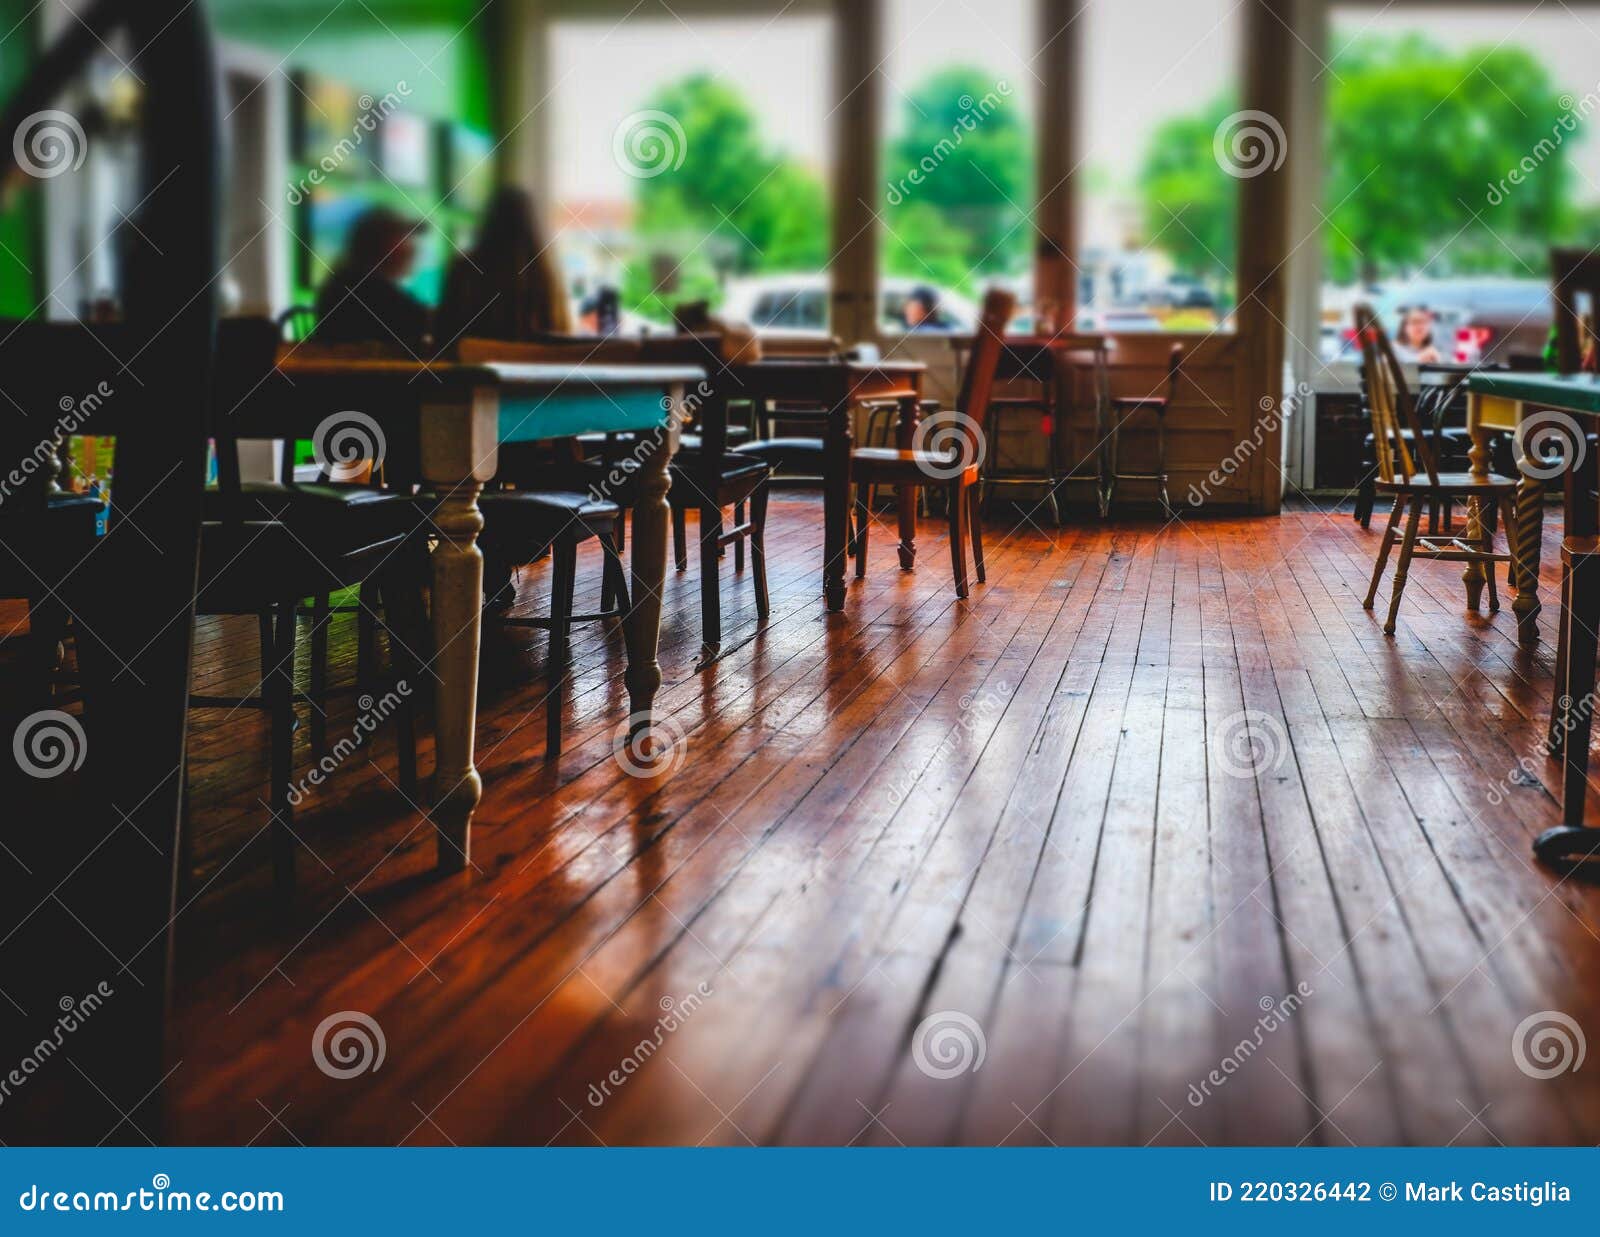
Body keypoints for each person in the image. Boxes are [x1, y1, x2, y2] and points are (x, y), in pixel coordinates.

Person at [434, 187, 573, 346]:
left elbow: (444, 335)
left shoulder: (464, 269)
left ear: (487, 221)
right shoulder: (548, 276)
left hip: (473, 361)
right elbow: (561, 335)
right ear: (534, 227)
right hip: (538, 362)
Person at [311, 206, 430, 350]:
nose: (412, 249)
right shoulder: (362, 283)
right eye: (402, 238)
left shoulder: (356, 276)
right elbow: (421, 322)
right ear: (378, 244)